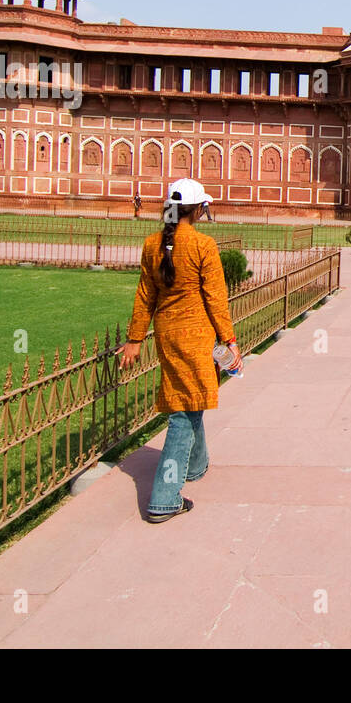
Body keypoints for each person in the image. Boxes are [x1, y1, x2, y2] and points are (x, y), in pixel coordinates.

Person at [118, 178, 240, 523]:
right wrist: (229, 341)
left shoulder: (152, 244)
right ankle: (164, 498)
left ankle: (197, 465)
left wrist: (136, 338)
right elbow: (216, 299)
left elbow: (145, 296)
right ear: (200, 209)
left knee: (189, 398)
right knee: (182, 414)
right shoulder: (203, 245)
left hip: (167, 334)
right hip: (197, 336)